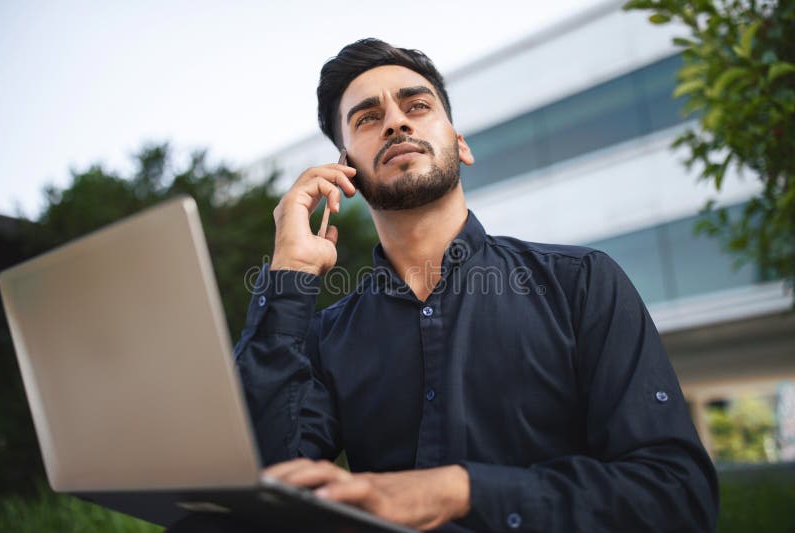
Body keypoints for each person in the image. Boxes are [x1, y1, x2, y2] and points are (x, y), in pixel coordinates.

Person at [233, 38, 718, 532]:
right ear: (345, 170)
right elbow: (256, 492)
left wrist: (460, 491)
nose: (396, 122)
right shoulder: (326, 337)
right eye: (366, 118)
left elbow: (675, 497)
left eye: (417, 106)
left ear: (460, 143)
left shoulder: (582, 283)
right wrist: (289, 270)